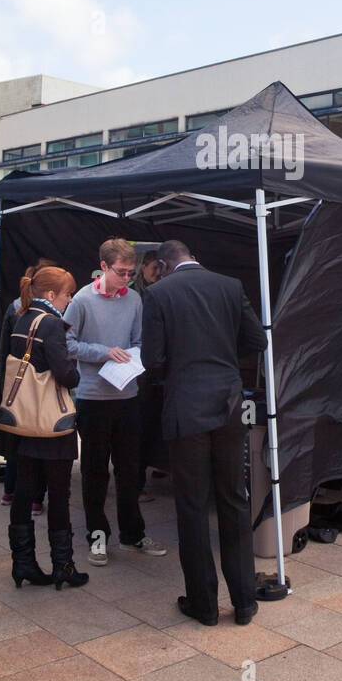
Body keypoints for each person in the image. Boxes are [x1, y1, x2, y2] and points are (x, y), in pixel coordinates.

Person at [140, 238, 267, 627]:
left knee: (192, 506)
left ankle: (204, 605)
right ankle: (244, 601)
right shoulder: (229, 286)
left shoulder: (158, 294)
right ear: (195, 257)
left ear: (162, 265)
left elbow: (152, 359)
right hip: (229, 406)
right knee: (234, 499)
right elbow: (257, 341)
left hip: (186, 410)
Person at [64, 238, 166, 566]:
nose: (126, 278)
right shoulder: (81, 299)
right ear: (104, 267)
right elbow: (66, 343)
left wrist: (136, 357)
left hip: (128, 395)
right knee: (95, 471)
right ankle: (97, 536)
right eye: (121, 272)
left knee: (130, 470)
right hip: (93, 397)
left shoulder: (135, 299)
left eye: (131, 272)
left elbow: (138, 340)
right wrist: (103, 352)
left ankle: (132, 534)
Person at [6, 266, 87, 590]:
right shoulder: (52, 324)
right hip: (51, 423)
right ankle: (63, 566)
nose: (70, 300)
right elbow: (66, 375)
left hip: (20, 420)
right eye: (68, 294)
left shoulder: (19, 317)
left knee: (24, 492)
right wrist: (76, 372)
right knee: (59, 494)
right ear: (52, 295)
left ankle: (23, 564)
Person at [0, 259, 55, 512]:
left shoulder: (15, 308)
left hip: (15, 386)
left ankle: (11, 492)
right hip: (40, 388)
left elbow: (3, 351)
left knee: (16, 442)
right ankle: (34, 499)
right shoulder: (48, 316)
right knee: (39, 441)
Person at [133, 249, 164, 503]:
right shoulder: (134, 294)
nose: (157, 272)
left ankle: (160, 464)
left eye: (160, 268)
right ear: (143, 267)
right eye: (153, 267)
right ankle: (136, 483)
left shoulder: (161, 289)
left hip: (158, 369)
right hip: (139, 370)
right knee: (140, 427)